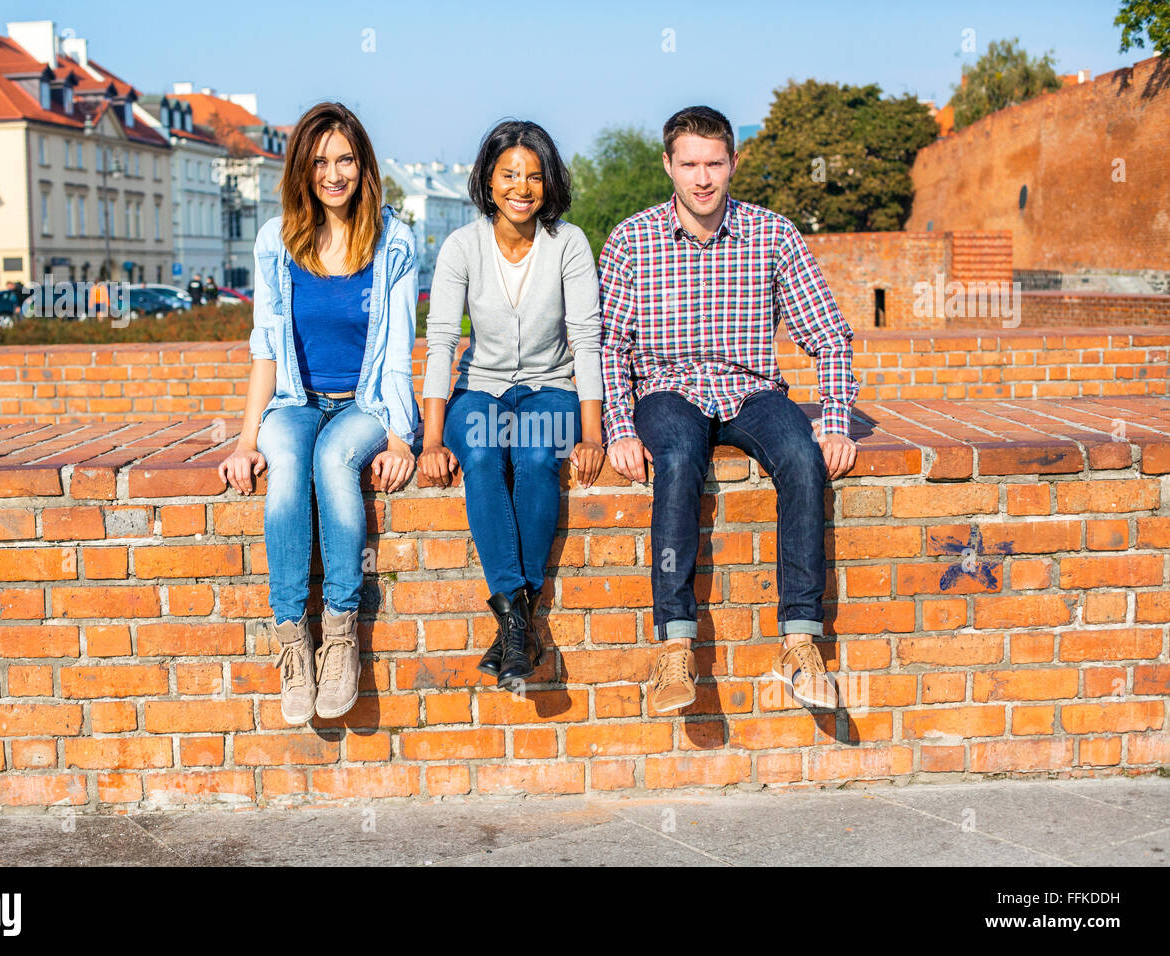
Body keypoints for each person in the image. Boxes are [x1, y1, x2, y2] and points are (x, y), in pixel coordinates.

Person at [599, 105, 860, 715]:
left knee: (801, 456)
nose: (702, 178)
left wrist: (838, 422)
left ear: (733, 163)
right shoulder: (630, 240)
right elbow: (610, 343)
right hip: (667, 389)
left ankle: (800, 641)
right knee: (680, 455)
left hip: (751, 389)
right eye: (689, 164)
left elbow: (828, 332)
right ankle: (675, 647)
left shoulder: (773, 235)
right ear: (667, 165)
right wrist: (617, 426)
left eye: (714, 163)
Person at [218, 102, 418, 724]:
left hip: (365, 402)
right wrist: (246, 438)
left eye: (345, 160)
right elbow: (264, 347)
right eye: (321, 161)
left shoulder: (394, 242)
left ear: (363, 165)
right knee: (285, 462)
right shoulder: (277, 242)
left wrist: (400, 434)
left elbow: (399, 346)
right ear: (302, 169)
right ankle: (292, 641)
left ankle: (339, 634)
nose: (334, 174)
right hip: (295, 400)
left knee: (334, 459)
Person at [419, 120, 605, 691]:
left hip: (551, 385)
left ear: (549, 181)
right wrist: (430, 442)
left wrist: (593, 432)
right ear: (488, 180)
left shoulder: (568, 243)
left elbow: (587, 335)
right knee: (478, 455)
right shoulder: (461, 246)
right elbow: (443, 340)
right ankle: (521, 620)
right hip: (480, 387)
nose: (521, 187)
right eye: (508, 175)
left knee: (532, 455)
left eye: (533, 175)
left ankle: (510, 625)